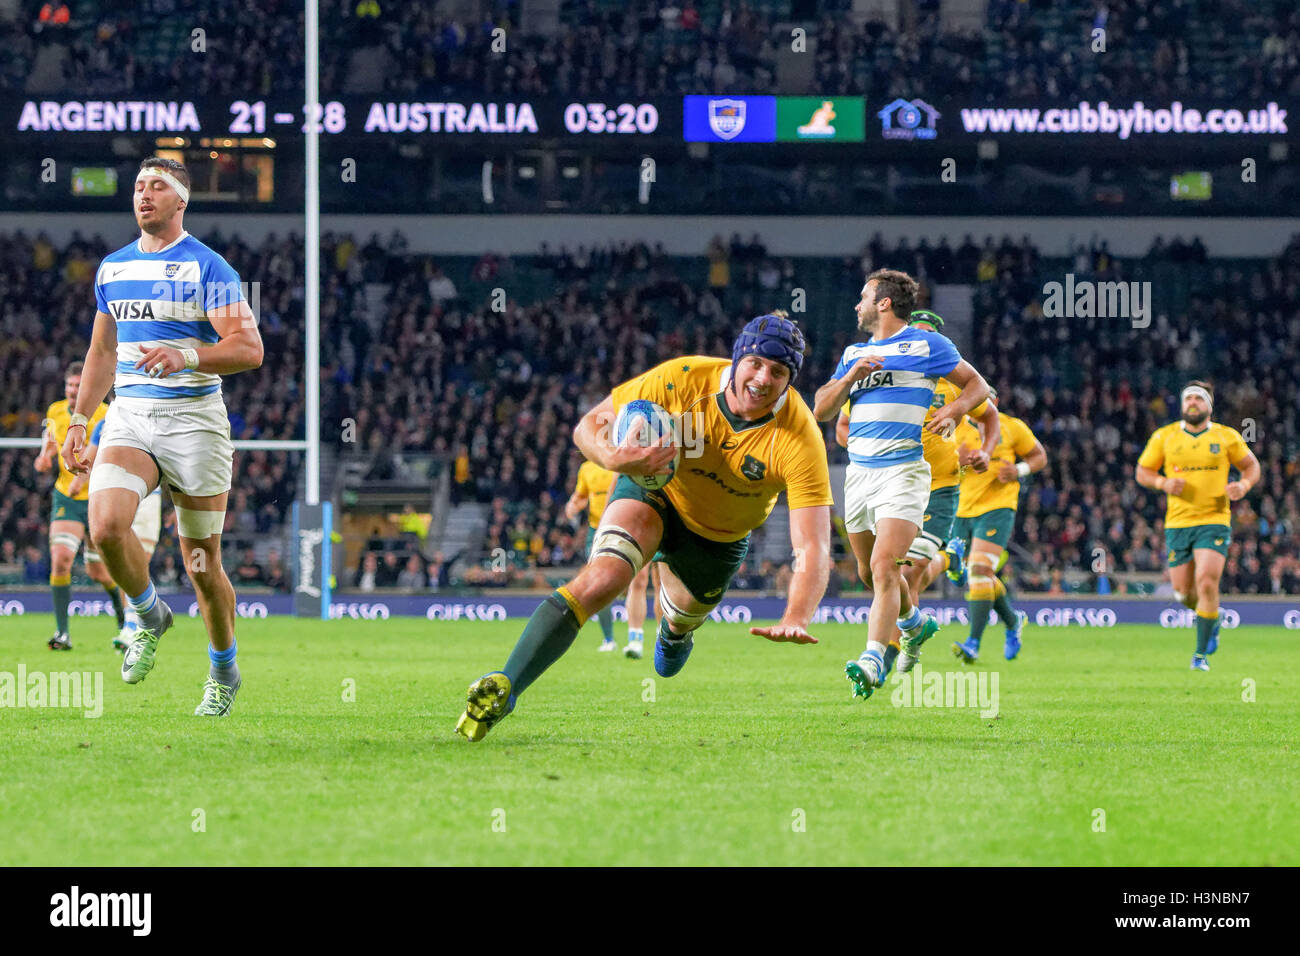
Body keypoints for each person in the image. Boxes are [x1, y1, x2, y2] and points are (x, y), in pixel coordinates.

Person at [455, 313, 833, 741]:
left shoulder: (800, 437)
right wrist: (617, 460)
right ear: (738, 358)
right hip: (656, 491)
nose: (763, 378)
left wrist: (797, 615)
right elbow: (589, 426)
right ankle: (507, 686)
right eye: (756, 363)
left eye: (778, 372)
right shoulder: (682, 379)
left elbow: (814, 545)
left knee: (679, 623)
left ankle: (674, 635)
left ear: (789, 381)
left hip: (718, 538)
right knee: (603, 578)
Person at [61, 156, 263, 717]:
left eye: (158, 187)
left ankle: (223, 669)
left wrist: (188, 354)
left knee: (202, 566)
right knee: (103, 527)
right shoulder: (113, 268)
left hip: (195, 422)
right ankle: (148, 611)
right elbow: (102, 352)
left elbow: (249, 349)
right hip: (129, 416)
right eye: (138, 186)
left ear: (181, 201)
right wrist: (80, 420)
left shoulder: (209, 267)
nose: (144, 195)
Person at [813, 270, 990, 700]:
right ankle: (913, 624)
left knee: (884, 566)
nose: (858, 305)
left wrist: (955, 409)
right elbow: (819, 409)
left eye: (863, 297)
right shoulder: (855, 352)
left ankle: (873, 659)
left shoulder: (928, 344)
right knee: (864, 571)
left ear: (884, 303)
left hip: (904, 472)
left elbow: (978, 385)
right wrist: (850, 377)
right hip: (858, 474)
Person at [1135, 380, 1260, 671]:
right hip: (1178, 523)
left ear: (1209, 406)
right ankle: (1212, 617)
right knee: (1183, 593)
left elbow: (1252, 466)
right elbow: (1142, 471)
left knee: (1206, 581)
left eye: (1198, 398)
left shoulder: (1225, 436)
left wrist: (1243, 484)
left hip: (1213, 520)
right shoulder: (1164, 437)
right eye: (1188, 398)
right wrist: (1162, 482)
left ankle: (1200, 656)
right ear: (1181, 405)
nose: (1192, 402)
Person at [950, 388, 1048, 663]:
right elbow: (939, 469)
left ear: (995, 402)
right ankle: (1013, 620)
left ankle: (973, 643)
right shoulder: (956, 429)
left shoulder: (1012, 427)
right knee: (970, 575)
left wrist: (1019, 470)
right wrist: (954, 463)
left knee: (980, 571)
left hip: (997, 509)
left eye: (987, 400)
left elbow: (1039, 456)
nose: (983, 405)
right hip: (961, 511)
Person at [36, 361, 122, 651]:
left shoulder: (105, 413)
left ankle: (125, 625)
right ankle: (62, 633)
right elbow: (49, 443)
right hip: (67, 497)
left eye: (78, 386)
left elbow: (107, 453)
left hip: (99, 495)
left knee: (100, 572)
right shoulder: (55, 411)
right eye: (69, 386)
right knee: (61, 558)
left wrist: (83, 477)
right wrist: (44, 457)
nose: (73, 391)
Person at [83, 412, 165, 650]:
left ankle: (133, 625)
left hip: (151, 499)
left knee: (140, 563)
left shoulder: (156, 418)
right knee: (124, 564)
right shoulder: (105, 424)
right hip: (118, 498)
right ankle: (133, 623)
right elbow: (89, 459)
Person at [563, 459, 622, 652]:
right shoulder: (586, 468)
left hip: (622, 525)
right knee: (599, 585)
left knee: (634, 584)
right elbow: (581, 496)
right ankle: (609, 639)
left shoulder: (620, 461)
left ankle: (636, 637)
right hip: (596, 531)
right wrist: (573, 504)